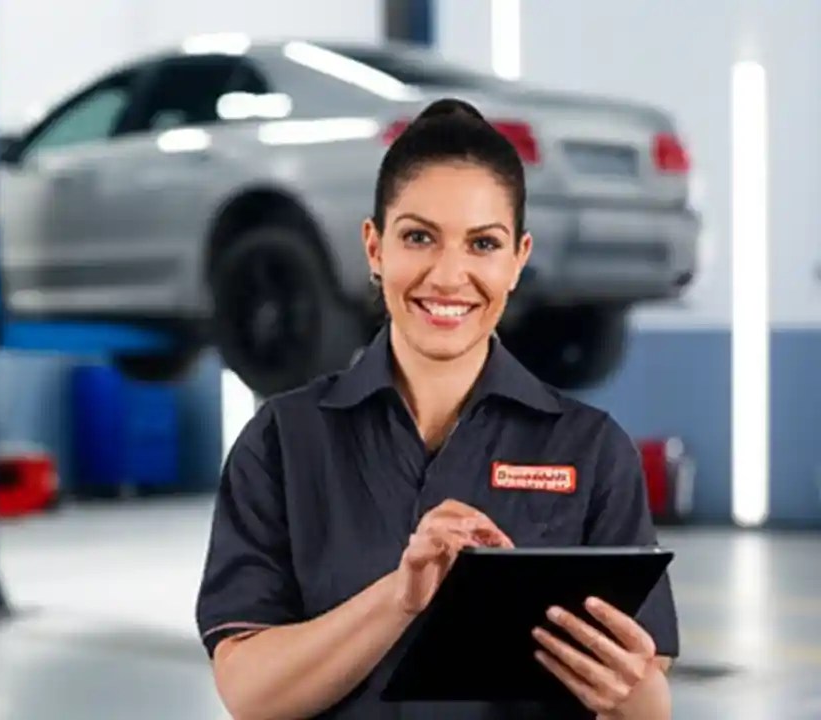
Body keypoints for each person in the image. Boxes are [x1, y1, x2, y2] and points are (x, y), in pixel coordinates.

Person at [194, 98, 679, 719]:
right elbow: (251, 695)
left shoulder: (590, 451)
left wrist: (635, 693)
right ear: (375, 248)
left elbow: (645, 702)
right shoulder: (283, 443)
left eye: (483, 244)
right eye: (419, 237)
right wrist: (401, 595)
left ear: (517, 260)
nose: (449, 276)